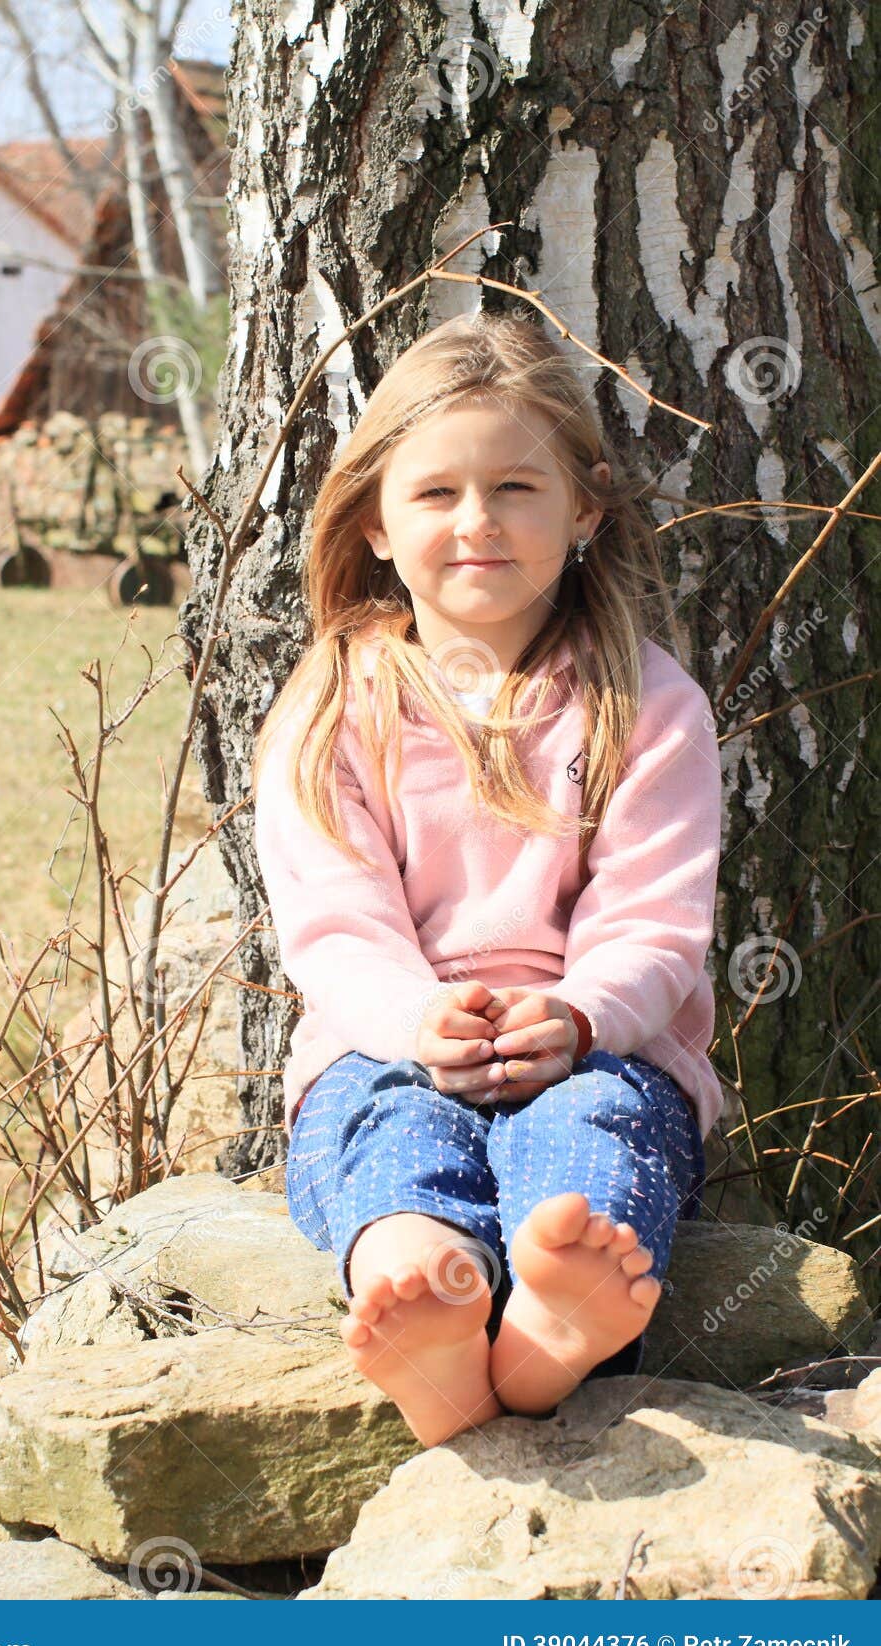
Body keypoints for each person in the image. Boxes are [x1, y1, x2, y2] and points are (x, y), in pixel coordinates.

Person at [251, 311, 722, 1448]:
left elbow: (655, 922)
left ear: (584, 511)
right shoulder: (332, 706)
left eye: (516, 487)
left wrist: (577, 1013)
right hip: (387, 1044)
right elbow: (335, 924)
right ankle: (424, 1287)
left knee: (604, 1124)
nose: (478, 523)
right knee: (386, 1131)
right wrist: (418, 1020)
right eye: (434, 495)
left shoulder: (647, 705)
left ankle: (562, 1312)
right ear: (370, 519)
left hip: (594, 1042)